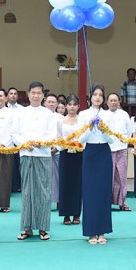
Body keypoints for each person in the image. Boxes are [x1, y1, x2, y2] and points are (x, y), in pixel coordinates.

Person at [12, 81, 58, 241]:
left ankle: (43, 228)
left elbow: (52, 134)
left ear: (43, 95)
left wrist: (41, 143)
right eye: (33, 93)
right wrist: (25, 143)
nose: (36, 96)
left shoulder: (48, 114)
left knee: (43, 191)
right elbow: (14, 134)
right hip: (26, 154)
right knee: (27, 191)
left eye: (39, 93)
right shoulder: (21, 113)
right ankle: (27, 228)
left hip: (43, 155)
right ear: (28, 94)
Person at [78, 84, 115, 244]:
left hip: (104, 153)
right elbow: (81, 139)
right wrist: (89, 126)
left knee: (103, 192)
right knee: (90, 192)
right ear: (90, 97)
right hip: (90, 153)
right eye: (95, 94)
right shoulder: (83, 114)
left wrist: (103, 129)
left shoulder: (108, 115)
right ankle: (91, 232)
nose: (98, 97)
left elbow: (112, 140)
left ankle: (102, 231)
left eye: (100, 95)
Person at [106, 92, 133, 211]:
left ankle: (123, 202)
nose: (113, 102)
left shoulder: (124, 114)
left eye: (115, 100)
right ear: (107, 103)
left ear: (119, 102)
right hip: (108, 149)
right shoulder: (104, 115)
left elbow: (129, 130)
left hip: (121, 148)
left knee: (121, 176)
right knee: (109, 176)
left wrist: (124, 141)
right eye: (111, 100)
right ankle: (107, 202)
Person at [58, 94, 82, 225]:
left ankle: (76, 214)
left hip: (79, 154)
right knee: (65, 183)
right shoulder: (60, 121)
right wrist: (64, 145)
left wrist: (79, 144)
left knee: (78, 183)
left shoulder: (82, 120)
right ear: (66, 106)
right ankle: (66, 214)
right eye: (70, 104)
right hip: (65, 153)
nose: (72, 107)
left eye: (74, 105)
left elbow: (84, 136)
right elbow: (58, 137)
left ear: (78, 106)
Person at [45, 93, 62, 206]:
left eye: (53, 102)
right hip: (42, 151)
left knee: (57, 177)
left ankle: (59, 200)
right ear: (45, 103)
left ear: (57, 104)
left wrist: (57, 147)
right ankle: (44, 201)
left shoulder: (60, 118)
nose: (51, 104)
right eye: (49, 102)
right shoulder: (41, 115)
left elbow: (62, 135)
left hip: (57, 150)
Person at [6, 87, 23, 193]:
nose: (13, 95)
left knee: (16, 164)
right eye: (11, 93)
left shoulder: (22, 109)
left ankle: (17, 185)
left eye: (15, 94)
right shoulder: (2, 108)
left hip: (17, 140)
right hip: (5, 140)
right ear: (7, 96)